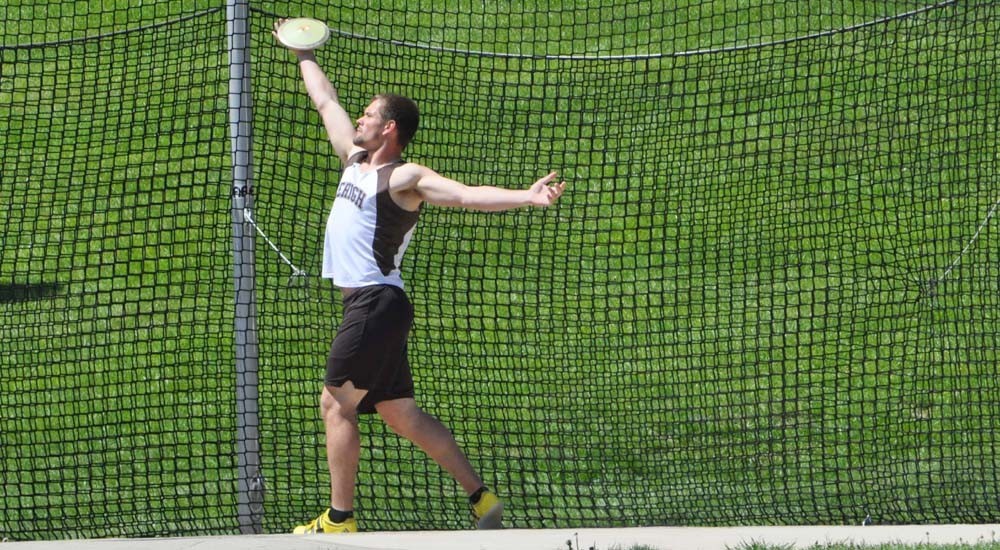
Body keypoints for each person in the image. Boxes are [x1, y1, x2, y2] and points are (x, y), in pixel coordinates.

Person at [275, 21, 566, 534]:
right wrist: (302, 51)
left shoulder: (404, 178)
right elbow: (325, 102)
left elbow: (464, 194)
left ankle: (339, 520)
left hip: (375, 303)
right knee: (400, 414)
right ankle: (481, 498)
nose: (359, 120)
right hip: (373, 306)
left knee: (334, 404)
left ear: (390, 129)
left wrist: (527, 195)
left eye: (369, 115)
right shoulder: (354, 160)